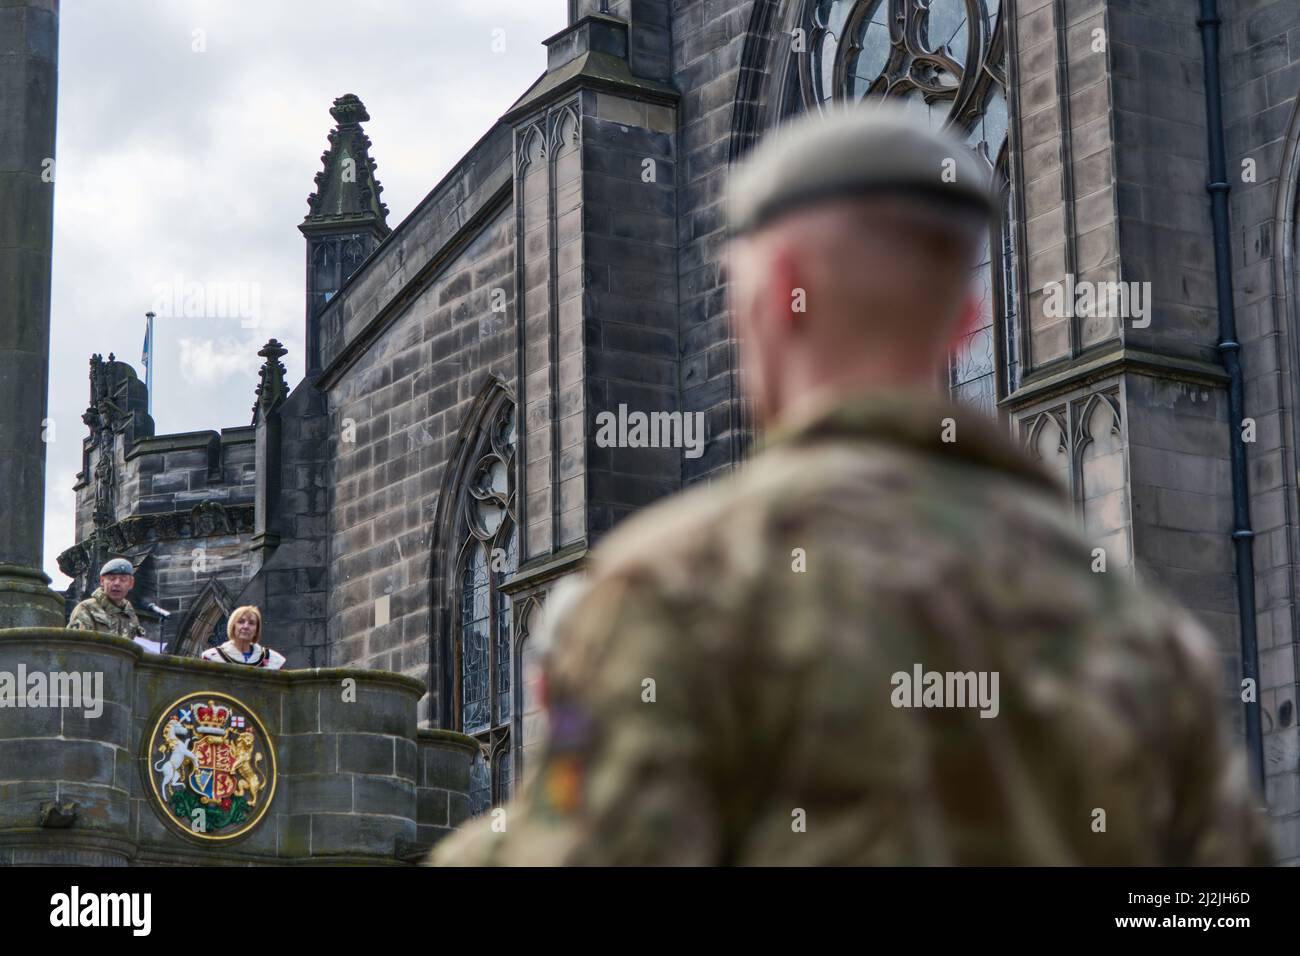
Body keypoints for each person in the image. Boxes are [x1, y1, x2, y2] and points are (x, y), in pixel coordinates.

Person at [430, 103, 1273, 866]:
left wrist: (574, 729)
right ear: (964, 316)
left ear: (776, 294)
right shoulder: (1149, 645)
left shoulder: (674, 594)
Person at [67, 557, 146, 642]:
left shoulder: (131, 616)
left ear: (131, 583)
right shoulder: (86, 608)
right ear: (102, 581)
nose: (117, 583)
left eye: (123, 580)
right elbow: (75, 645)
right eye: (112, 579)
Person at [201, 605, 286, 669]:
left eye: (251, 623)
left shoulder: (273, 660)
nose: (245, 626)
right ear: (233, 626)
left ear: (256, 630)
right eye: (241, 622)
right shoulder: (211, 658)